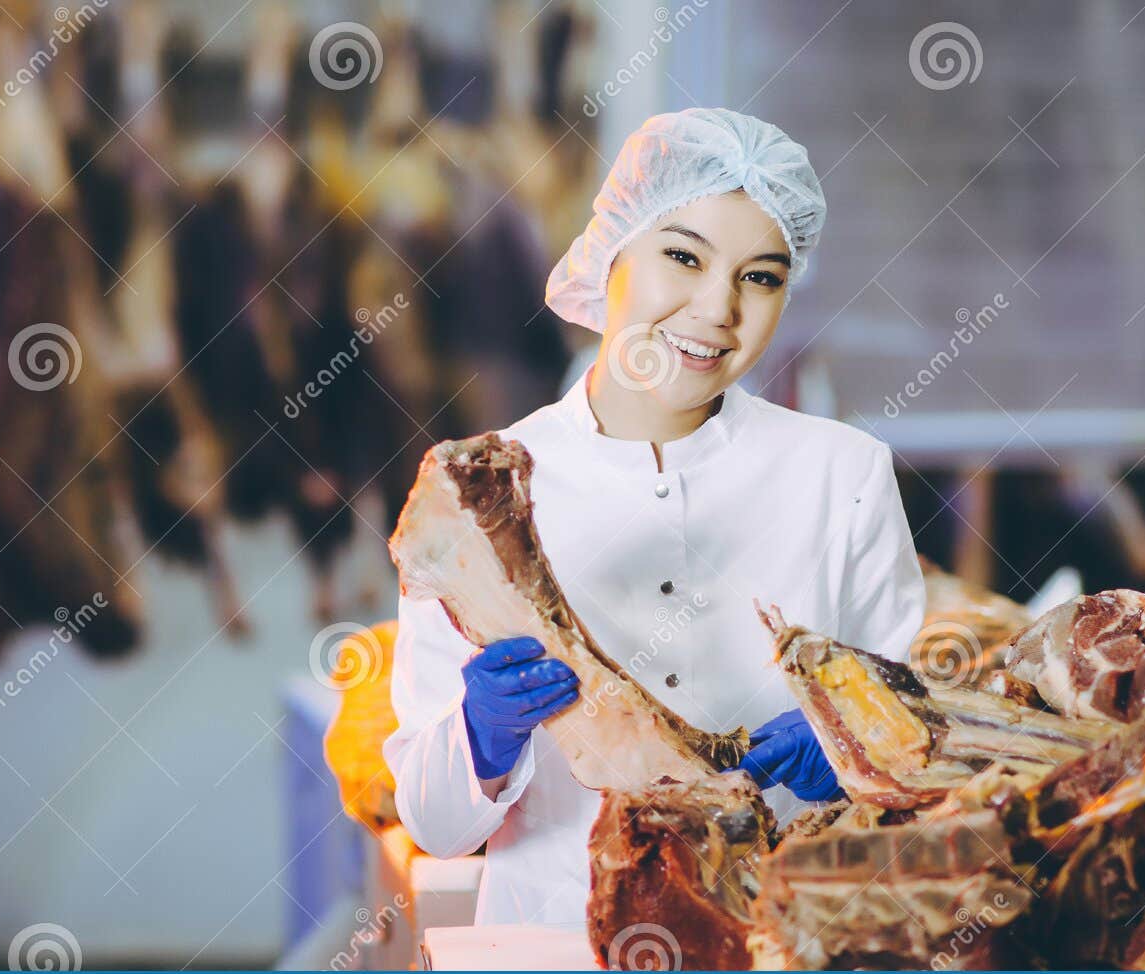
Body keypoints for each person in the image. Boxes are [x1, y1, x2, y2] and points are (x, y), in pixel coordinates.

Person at [383, 108, 927, 926]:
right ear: (612, 256)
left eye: (762, 276)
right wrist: (479, 737)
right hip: (557, 957)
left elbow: (921, 766)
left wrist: (856, 752)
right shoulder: (479, 492)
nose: (718, 310)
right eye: (683, 257)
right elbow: (434, 822)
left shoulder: (842, 473)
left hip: (781, 952)